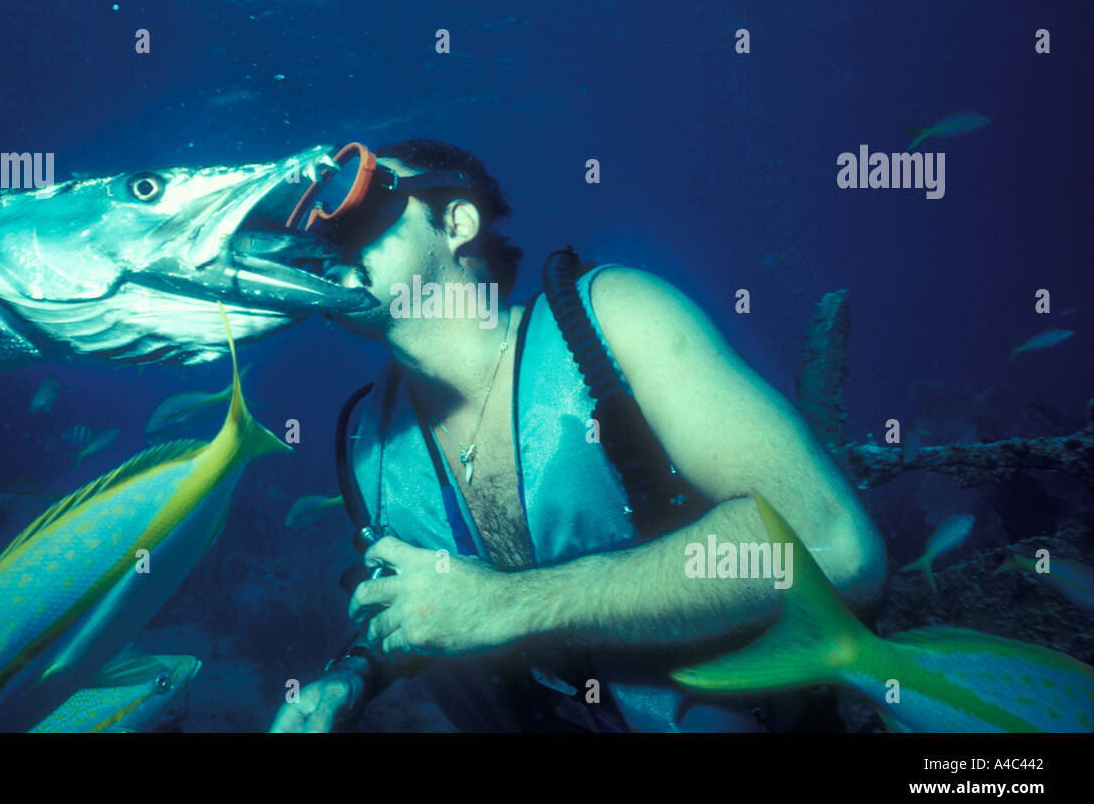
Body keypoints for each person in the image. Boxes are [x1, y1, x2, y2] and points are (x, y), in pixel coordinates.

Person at [269, 139, 886, 733]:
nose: (331, 237)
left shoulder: (613, 321)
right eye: (319, 229)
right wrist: (353, 676)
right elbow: (430, 605)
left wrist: (505, 605)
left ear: (457, 222)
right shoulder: (366, 442)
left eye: (363, 205)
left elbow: (834, 545)